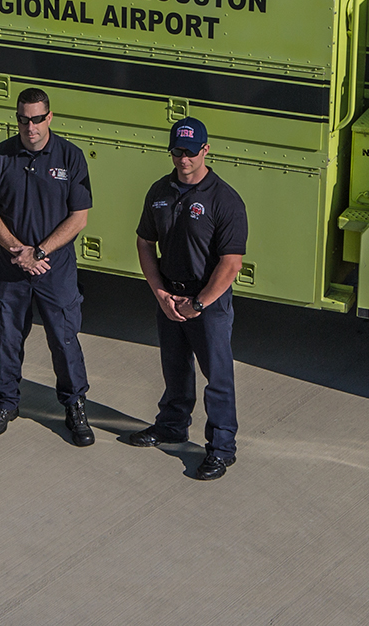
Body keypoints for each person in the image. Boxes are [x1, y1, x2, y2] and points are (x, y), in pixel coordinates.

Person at [127, 117, 247, 480]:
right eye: (177, 152)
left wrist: (199, 303)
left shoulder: (224, 200)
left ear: (206, 150)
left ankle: (222, 448)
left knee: (218, 376)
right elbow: (145, 243)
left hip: (207, 303)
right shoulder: (159, 192)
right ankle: (171, 426)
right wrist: (160, 292)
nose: (183, 159)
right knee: (175, 367)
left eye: (191, 152)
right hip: (170, 297)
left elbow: (231, 263)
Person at [0, 88, 95, 446]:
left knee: (63, 339)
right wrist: (17, 249)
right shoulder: (0, 155)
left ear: (50, 117)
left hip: (54, 269)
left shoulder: (71, 157)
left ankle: (74, 406)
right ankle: (5, 402)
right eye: (23, 119)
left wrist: (40, 252)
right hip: (12, 266)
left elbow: (79, 218)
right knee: (8, 337)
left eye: (37, 118)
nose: (30, 127)